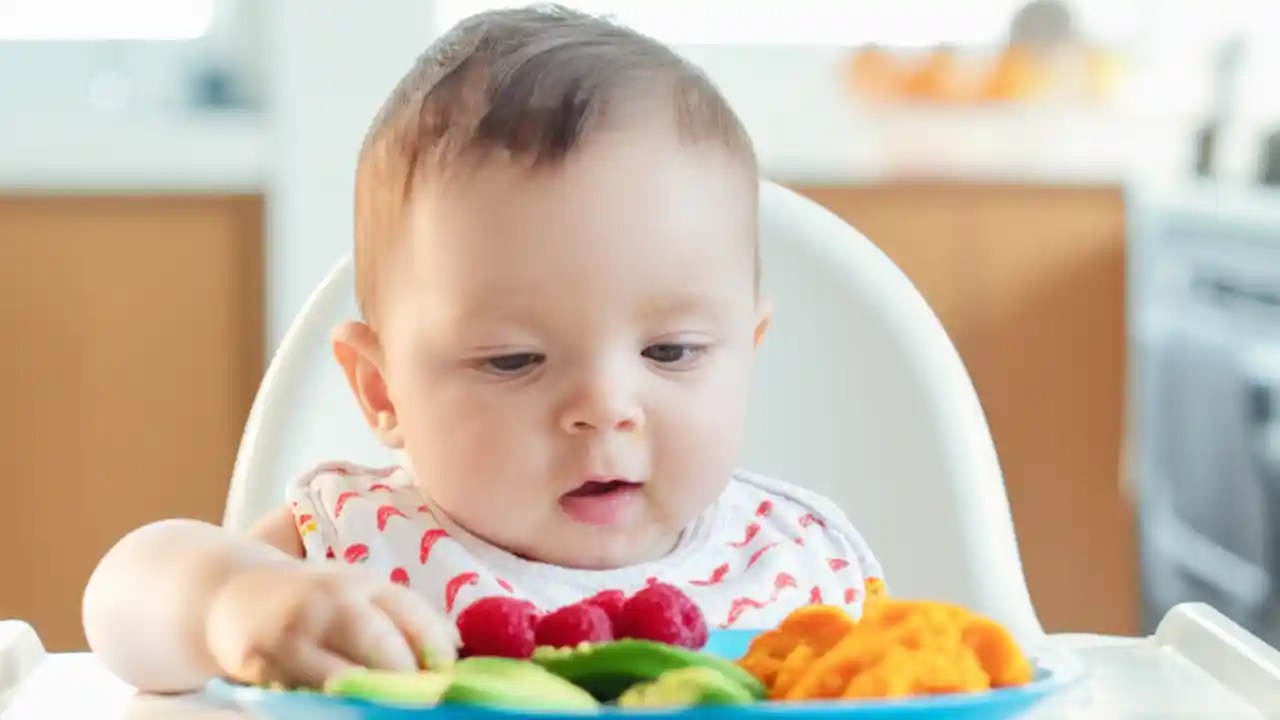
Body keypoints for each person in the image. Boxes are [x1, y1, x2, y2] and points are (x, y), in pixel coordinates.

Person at [82, 5, 883, 694]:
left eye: (671, 351)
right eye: (513, 360)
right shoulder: (358, 551)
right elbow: (124, 605)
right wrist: (231, 602)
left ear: (749, 351)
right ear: (382, 391)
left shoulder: (797, 572)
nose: (605, 407)